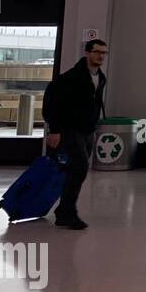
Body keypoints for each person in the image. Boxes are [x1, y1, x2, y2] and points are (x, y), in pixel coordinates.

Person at [42, 39, 107, 229]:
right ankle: (67, 213)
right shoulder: (70, 78)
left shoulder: (100, 77)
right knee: (78, 168)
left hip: (87, 130)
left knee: (76, 170)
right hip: (69, 129)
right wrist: (54, 130)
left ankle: (63, 210)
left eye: (103, 52)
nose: (100, 56)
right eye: (96, 52)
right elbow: (54, 103)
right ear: (87, 53)